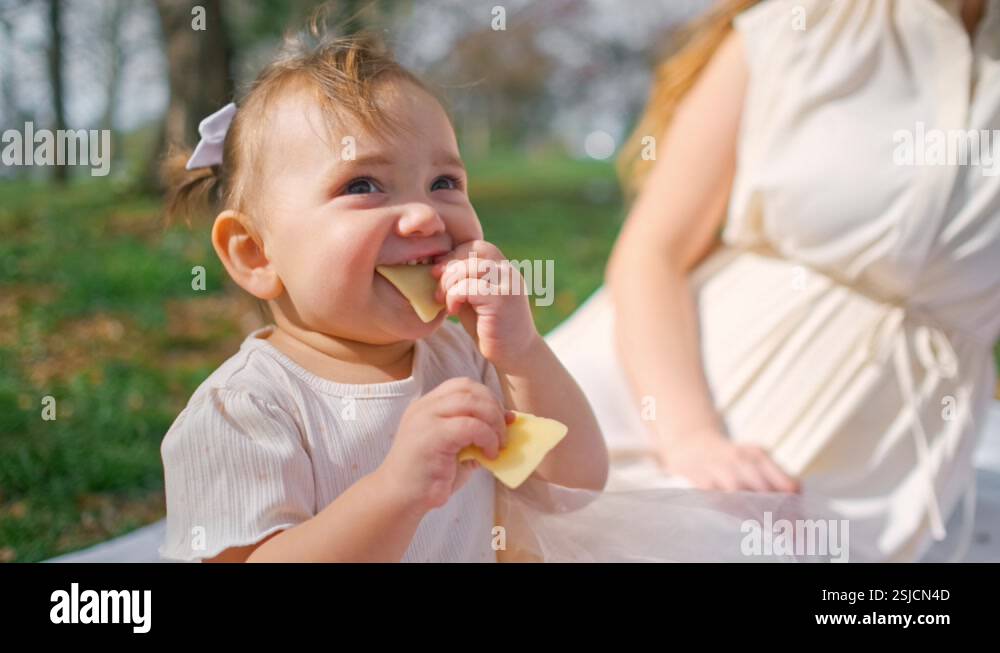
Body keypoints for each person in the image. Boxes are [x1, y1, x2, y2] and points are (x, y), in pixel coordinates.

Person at [548, 0, 1000, 561]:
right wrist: (690, 437)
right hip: (652, 407)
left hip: (870, 480)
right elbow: (651, 253)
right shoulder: (792, 28)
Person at [157, 24, 608, 563]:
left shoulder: (465, 359)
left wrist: (522, 353)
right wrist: (397, 490)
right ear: (255, 254)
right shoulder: (245, 408)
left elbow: (574, 488)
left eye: (444, 182)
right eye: (362, 186)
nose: (424, 215)